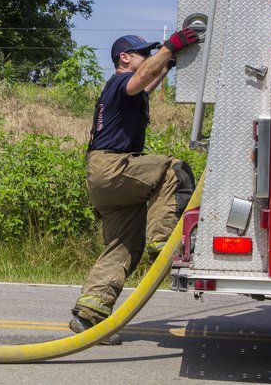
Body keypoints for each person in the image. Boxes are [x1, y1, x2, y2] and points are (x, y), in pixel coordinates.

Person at [69, 29, 199, 345]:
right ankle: (162, 244)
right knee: (172, 168)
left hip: (105, 177)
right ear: (124, 58)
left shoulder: (130, 92)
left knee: (123, 247)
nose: (146, 58)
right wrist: (169, 47)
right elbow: (142, 77)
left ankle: (89, 315)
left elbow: (148, 82)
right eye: (142, 53)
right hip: (112, 167)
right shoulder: (118, 83)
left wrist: (169, 61)